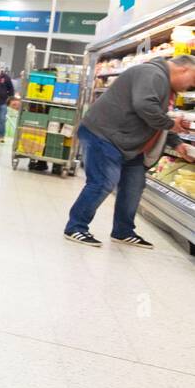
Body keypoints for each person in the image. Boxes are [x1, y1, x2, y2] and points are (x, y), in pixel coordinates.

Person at [64, 54, 195, 248]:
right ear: (185, 69)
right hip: (104, 135)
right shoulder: (152, 74)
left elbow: (160, 120)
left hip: (129, 143)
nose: (190, 87)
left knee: (134, 184)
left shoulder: (166, 86)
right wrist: (170, 123)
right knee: (103, 181)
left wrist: (178, 144)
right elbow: (144, 106)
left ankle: (123, 231)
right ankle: (76, 227)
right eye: (193, 81)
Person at [0, 62, 16, 143]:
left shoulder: (6, 77)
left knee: (2, 119)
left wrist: (8, 97)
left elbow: (11, 89)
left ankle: (1, 136)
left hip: (2, 102)